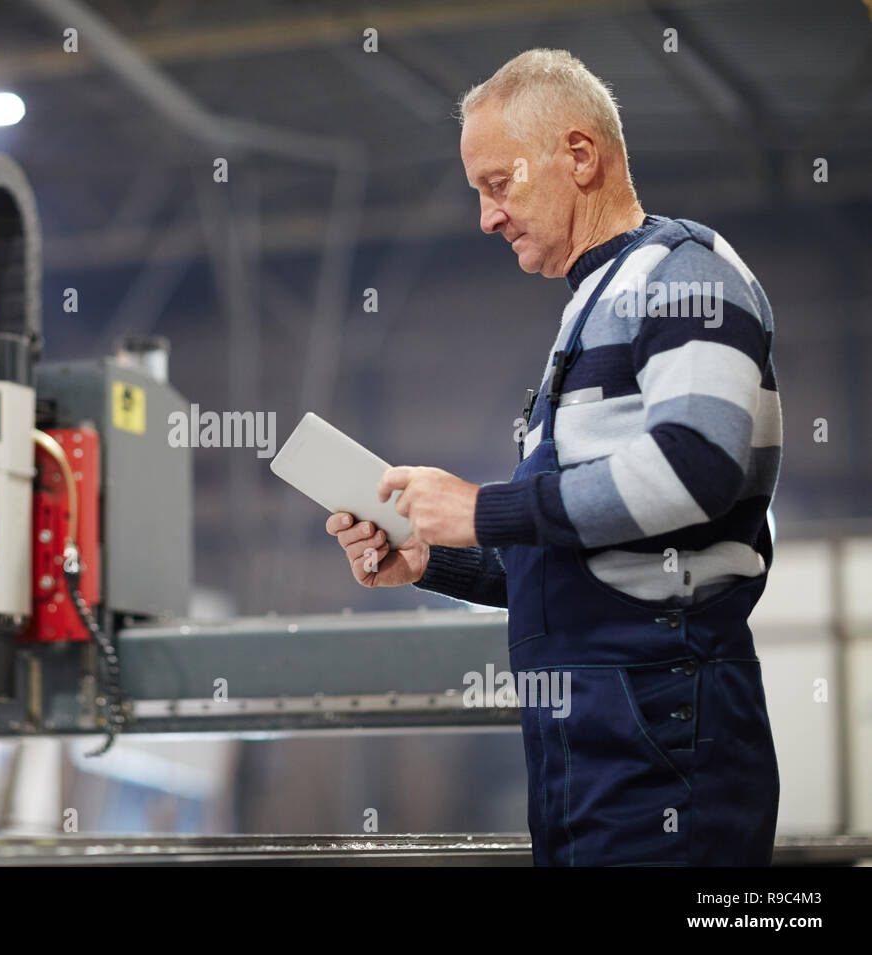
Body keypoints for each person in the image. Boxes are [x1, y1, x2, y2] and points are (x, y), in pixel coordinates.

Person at [327, 49, 782, 866]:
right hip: (587, 738)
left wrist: (477, 509)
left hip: (666, 723)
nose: (486, 217)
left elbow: (698, 468)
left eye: (498, 183)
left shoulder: (686, 276)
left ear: (580, 155)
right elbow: (580, 558)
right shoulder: (592, 310)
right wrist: (434, 556)